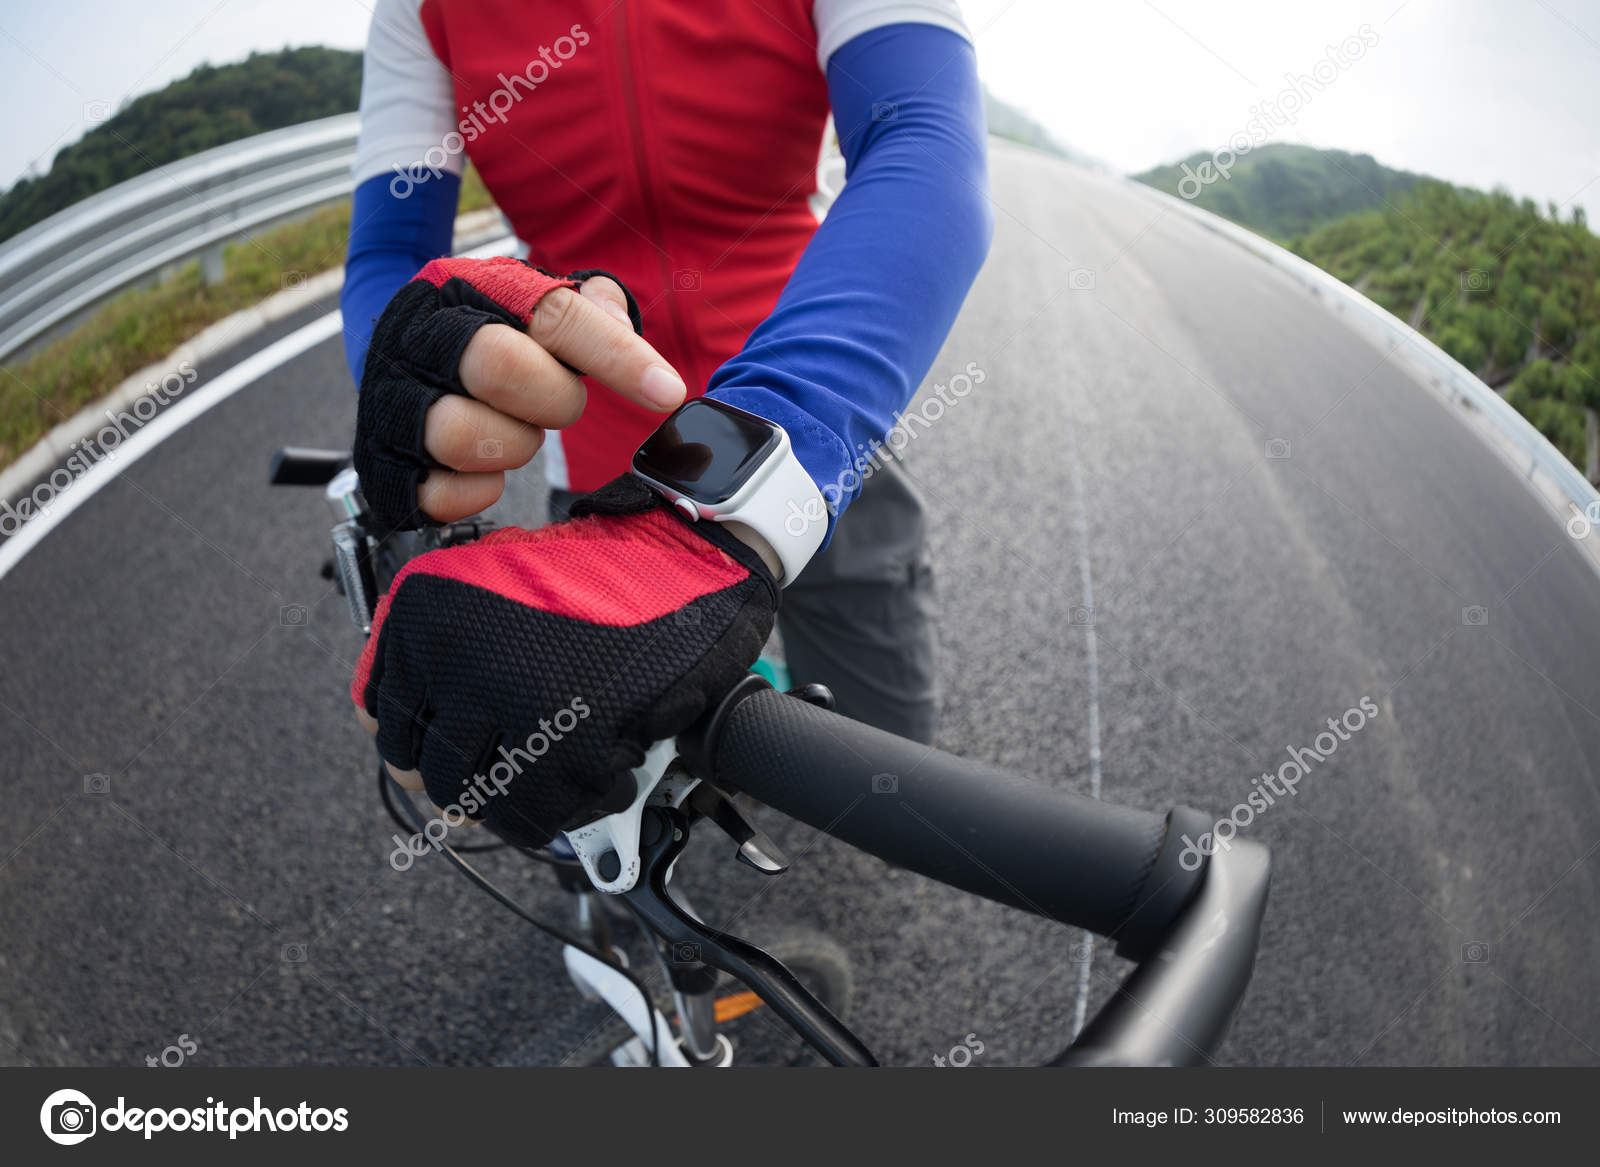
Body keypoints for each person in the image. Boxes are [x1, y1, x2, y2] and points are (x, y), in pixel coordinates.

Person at [343, 0, 992, 848]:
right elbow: (390, 255)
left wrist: (731, 491)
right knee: (589, 810)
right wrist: (423, 373)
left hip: (815, 425)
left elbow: (926, 141)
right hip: (606, 477)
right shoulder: (421, 11)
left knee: (887, 777)